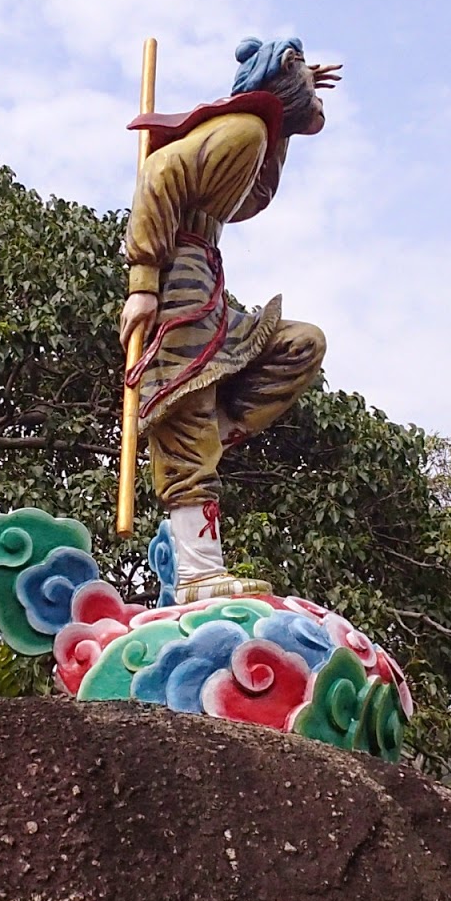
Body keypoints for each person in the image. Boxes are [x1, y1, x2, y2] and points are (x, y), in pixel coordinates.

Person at [120, 36, 341, 603]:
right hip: (178, 280)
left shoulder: (256, 136)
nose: (321, 97)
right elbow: (160, 171)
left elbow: (250, 199)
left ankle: (206, 429)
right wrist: (143, 284)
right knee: (185, 405)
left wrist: (291, 120)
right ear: (286, 86)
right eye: (308, 86)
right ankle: (198, 572)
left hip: (207, 282)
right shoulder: (243, 130)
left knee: (298, 344)